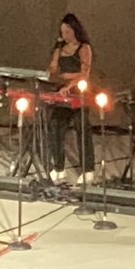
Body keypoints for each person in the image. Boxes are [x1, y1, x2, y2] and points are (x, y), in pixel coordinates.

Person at [46, 13, 95, 186]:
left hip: (79, 91)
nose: (64, 35)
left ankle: (88, 170)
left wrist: (69, 84)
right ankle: (58, 168)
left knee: (82, 130)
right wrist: (52, 72)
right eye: (62, 32)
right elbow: (53, 70)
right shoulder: (59, 49)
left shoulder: (84, 48)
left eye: (67, 31)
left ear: (75, 30)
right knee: (56, 128)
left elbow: (85, 74)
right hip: (61, 92)